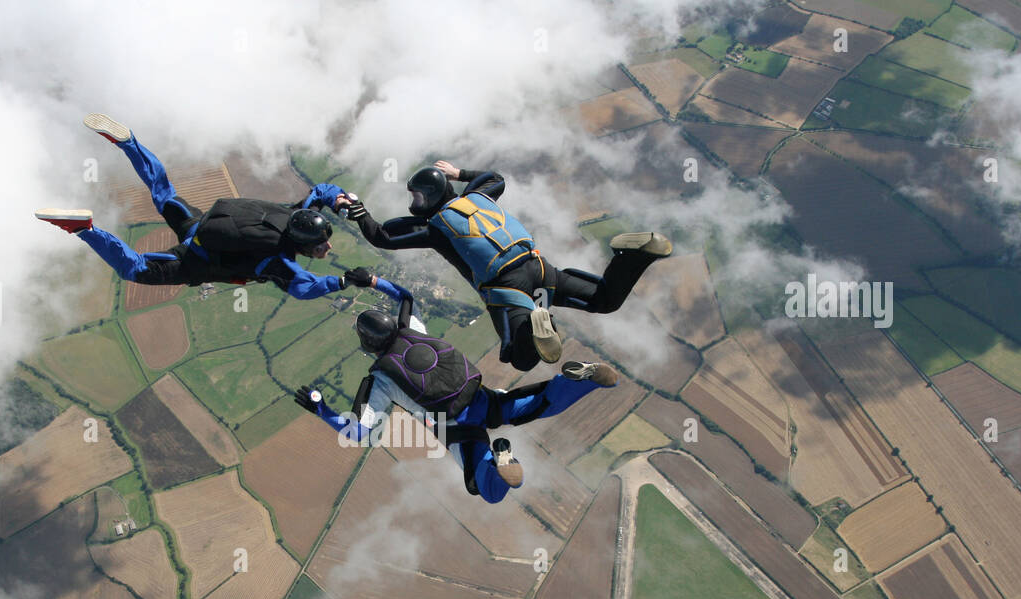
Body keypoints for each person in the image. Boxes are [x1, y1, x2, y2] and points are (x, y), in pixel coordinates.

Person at [294, 270, 620, 503]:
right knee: (539, 403)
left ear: (367, 344)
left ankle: (500, 461)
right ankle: (581, 380)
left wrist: (319, 408)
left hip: (456, 427)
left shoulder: (380, 380)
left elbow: (359, 433)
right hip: (481, 397)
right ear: (392, 324)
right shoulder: (414, 328)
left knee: (488, 491)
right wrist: (374, 281)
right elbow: (406, 296)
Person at [346, 160, 672, 370]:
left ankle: (536, 327)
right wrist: (459, 174)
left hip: (507, 288)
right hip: (539, 267)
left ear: (431, 197)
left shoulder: (437, 229)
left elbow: (383, 237)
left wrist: (360, 213)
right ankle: (633, 258)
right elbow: (496, 177)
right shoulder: (479, 196)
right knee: (604, 299)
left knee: (520, 358)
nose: (415, 204)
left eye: (417, 197)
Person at [35, 113, 356, 300]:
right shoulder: (278, 260)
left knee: (163, 192)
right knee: (134, 268)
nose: (327, 246)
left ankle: (129, 143)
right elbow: (304, 288)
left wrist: (338, 197)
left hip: (200, 225)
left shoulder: (295, 214)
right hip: (194, 260)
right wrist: (341, 282)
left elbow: (321, 191)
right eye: (320, 244)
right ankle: (83, 229)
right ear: (301, 242)